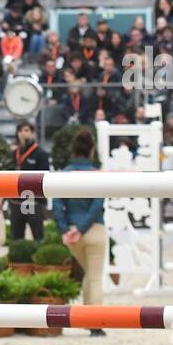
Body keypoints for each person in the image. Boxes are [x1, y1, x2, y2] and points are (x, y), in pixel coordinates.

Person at [52, 128, 107, 333]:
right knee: (95, 277)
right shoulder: (96, 175)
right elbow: (97, 205)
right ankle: (96, 324)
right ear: (91, 150)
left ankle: (87, 319)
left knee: (87, 274)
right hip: (94, 230)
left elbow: (57, 206)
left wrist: (66, 230)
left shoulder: (64, 174)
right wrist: (82, 229)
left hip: (72, 233)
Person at [8, 120, 50, 242]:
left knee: (37, 236)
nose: (22, 134)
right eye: (20, 131)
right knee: (16, 237)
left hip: (32, 201)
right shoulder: (14, 153)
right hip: (15, 201)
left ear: (32, 133)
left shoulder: (40, 154)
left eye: (26, 130)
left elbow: (44, 178)